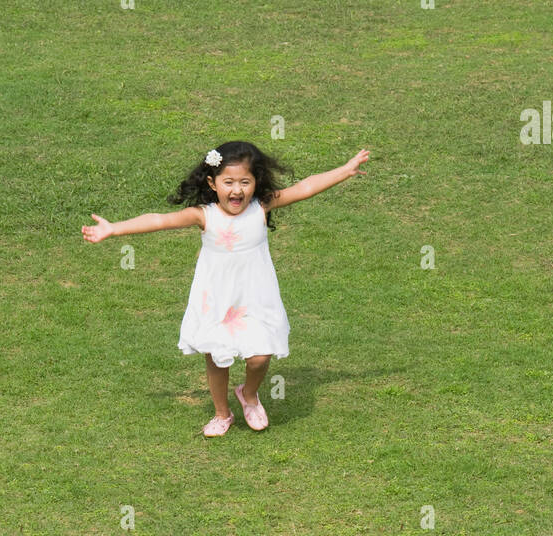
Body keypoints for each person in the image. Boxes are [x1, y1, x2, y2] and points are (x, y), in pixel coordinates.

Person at [81, 140, 369, 436]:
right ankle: (222, 414)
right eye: (228, 182)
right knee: (217, 358)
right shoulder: (203, 215)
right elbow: (159, 220)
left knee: (260, 356)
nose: (237, 190)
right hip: (216, 300)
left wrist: (345, 171)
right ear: (212, 182)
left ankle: (249, 394)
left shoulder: (261, 206)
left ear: (256, 182)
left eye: (245, 182)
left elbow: (306, 187)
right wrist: (114, 228)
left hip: (256, 297)